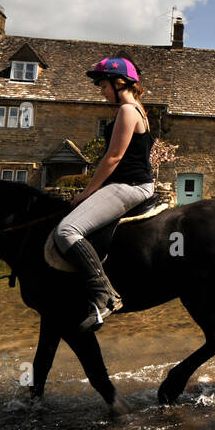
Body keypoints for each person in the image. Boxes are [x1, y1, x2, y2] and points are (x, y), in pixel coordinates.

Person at [54, 56, 156, 333]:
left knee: (67, 231)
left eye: (102, 85)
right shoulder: (138, 109)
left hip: (130, 186)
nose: (101, 91)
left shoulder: (127, 111)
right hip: (131, 183)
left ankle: (105, 294)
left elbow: (112, 157)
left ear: (118, 82)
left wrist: (87, 193)